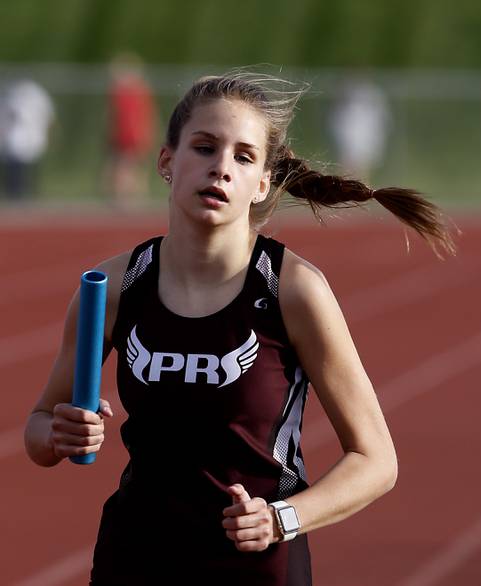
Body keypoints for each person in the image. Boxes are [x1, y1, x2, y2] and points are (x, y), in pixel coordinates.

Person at [24, 73, 454, 585]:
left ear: (263, 184)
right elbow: (40, 427)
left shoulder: (293, 290)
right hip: (135, 559)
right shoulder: (115, 286)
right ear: (166, 161)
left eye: (244, 157)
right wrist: (60, 433)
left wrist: (281, 519)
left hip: (255, 569)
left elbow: (376, 459)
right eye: (205, 148)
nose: (222, 168)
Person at [106, 53, 156, 208]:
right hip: (131, 134)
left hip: (130, 134)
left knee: (126, 167)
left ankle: (127, 199)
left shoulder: (128, 91)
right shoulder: (136, 90)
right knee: (129, 167)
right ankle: (132, 197)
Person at [0, 78, 55, 200]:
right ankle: (14, 193)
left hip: (31, 136)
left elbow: (48, 117)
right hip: (16, 138)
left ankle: (28, 192)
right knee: (15, 167)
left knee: (30, 166)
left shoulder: (37, 96)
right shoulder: (12, 97)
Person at [328, 77, 391, 183]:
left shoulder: (371, 98)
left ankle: (360, 188)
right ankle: (344, 187)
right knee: (349, 165)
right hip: (350, 141)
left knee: (361, 166)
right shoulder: (348, 104)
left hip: (362, 141)